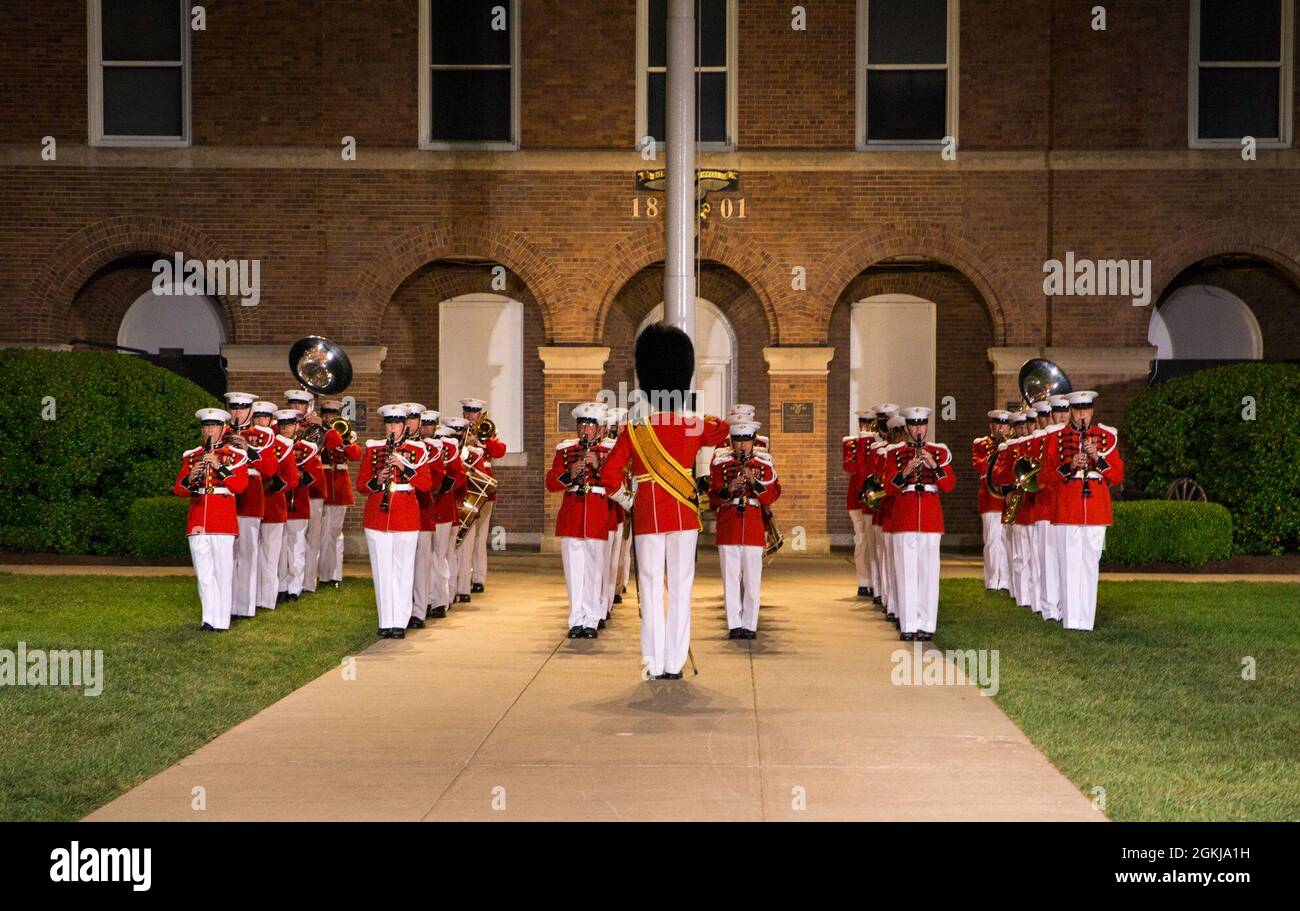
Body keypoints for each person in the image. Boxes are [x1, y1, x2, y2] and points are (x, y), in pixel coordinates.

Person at [598, 323, 730, 680]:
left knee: (652, 589)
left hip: (648, 515)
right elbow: (725, 428)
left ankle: (653, 662)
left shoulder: (634, 428)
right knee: (682, 589)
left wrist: (629, 501)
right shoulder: (694, 425)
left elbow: (608, 475)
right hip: (685, 515)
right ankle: (675, 663)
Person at [1039, 390, 1123, 631]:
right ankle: (1072, 620)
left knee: (1090, 563)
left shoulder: (1106, 437)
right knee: (1069, 564)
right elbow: (1045, 477)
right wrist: (1069, 466)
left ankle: (1086, 620)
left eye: (1086, 410)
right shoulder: (1056, 438)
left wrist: (1097, 457)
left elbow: (1117, 475)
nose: (1082, 415)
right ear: (1071, 412)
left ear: (1092, 411)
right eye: (1077, 410)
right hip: (1067, 509)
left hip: (1096, 509)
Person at [357, 405, 435, 639]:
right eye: (389, 423)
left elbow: (425, 484)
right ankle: (386, 620)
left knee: (403, 570)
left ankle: (400, 621)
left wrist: (405, 467)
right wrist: (376, 479)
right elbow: (361, 484)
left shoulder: (417, 450)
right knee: (382, 570)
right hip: (377, 515)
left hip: (406, 512)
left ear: (404, 426)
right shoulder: (373, 449)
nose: (392, 428)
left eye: (397, 423)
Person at [173, 408, 250, 632]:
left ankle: (222, 619)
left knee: (223, 573)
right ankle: (208, 618)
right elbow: (178, 490)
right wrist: (190, 477)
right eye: (206, 426)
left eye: (213, 426)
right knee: (204, 574)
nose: (209, 430)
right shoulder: (191, 456)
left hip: (222, 520)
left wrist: (220, 467)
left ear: (223, 428)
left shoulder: (235, 455)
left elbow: (240, 486)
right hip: (198, 519)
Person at [881, 406, 955, 641]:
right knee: (906, 572)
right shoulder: (894, 454)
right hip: (904, 515)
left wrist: (934, 465)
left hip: (931, 516)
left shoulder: (939, 452)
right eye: (914, 425)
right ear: (907, 428)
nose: (919, 430)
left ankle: (927, 624)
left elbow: (949, 485)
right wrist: (905, 472)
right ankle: (908, 624)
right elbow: (888, 488)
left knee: (929, 573)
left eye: (922, 425)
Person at [546, 402, 612, 639]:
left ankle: (592, 620)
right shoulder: (565, 450)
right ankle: (576, 618)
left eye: (590, 425)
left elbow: (617, 483)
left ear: (600, 428)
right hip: (573, 512)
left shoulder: (609, 451)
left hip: (597, 514)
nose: (585, 429)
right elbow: (551, 482)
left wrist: (599, 466)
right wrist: (570, 473)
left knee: (595, 571)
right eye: (581, 424)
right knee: (574, 571)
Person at [709, 421, 780, 639]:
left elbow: (773, 494)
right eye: (738, 440)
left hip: (752, 524)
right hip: (729, 524)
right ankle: (734, 624)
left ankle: (750, 624)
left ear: (753, 440)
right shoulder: (720, 463)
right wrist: (728, 490)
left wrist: (754, 481)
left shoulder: (764, 463)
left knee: (752, 580)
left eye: (746, 440)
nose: (742, 446)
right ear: (731, 441)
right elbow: (712, 499)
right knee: (730, 579)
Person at [223, 393, 277, 620]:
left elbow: (270, 469)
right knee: (227, 555)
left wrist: (249, 449)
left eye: (242, 409)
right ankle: (227, 604)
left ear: (251, 411)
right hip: (226, 497)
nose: (237, 413)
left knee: (247, 552)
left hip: (250, 495)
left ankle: (245, 607)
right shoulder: (221, 432)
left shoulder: (262, 435)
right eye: (234, 408)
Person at [461, 397, 505, 594]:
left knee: (480, 535)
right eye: (467, 412)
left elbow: (500, 451)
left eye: (474, 413)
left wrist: (482, 441)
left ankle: (478, 577)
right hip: (466, 487)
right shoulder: (458, 432)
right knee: (465, 534)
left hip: (484, 489)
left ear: (481, 415)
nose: (470, 416)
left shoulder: (488, 431)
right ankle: (464, 577)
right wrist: (463, 442)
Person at [257, 403, 298, 612]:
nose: (260, 422)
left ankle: (268, 598)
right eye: (257, 417)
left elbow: (292, 479)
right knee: (253, 556)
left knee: (271, 557)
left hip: (273, 505)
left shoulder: (281, 446)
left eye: (264, 418)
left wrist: (272, 485)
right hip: (251, 506)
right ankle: (254, 598)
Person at [285, 389, 327, 594]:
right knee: (292, 540)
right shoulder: (282, 427)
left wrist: (323, 426)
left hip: (313, 488)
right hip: (291, 489)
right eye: (292, 404)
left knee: (312, 538)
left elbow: (327, 447)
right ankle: (291, 582)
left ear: (307, 406)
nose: (295, 408)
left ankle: (309, 581)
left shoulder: (315, 427)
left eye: (300, 404)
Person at [277, 409, 321, 603]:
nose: (286, 429)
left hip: (298, 502)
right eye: (282, 425)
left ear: (296, 426)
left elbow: (316, 477)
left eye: (289, 425)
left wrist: (299, 475)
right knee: (279, 549)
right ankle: (281, 586)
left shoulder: (306, 448)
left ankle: (295, 587)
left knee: (297, 548)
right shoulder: (273, 445)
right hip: (278, 503)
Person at [318, 399, 362, 589]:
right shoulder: (318, 432)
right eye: (326, 414)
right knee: (320, 532)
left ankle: (334, 574)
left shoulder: (347, 433)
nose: (329, 418)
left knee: (335, 532)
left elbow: (355, 454)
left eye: (332, 415)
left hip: (340, 485)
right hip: (323, 482)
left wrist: (336, 434)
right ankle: (322, 572)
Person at [410, 410, 447, 628]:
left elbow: (435, 481)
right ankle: (404, 608)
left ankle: (419, 609)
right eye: (413, 420)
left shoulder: (432, 449)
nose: (419, 426)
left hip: (422, 510)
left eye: (418, 420)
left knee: (423, 562)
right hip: (399, 511)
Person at [430, 422, 467, 618]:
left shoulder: (448, 449)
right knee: (426, 557)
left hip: (443, 508)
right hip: (426, 510)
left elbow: (459, 478)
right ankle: (429, 597)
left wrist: (440, 487)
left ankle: (442, 599)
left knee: (441, 555)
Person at [972, 410, 1011, 593]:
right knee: (992, 541)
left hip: (1007, 499)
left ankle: (1005, 581)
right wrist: (997, 452)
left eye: (1004, 424)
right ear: (991, 426)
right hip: (990, 499)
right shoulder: (981, 444)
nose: (1001, 427)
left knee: (1007, 541)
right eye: (998, 424)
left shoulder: (1012, 444)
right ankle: (992, 581)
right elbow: (980, 466)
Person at [844, 409, 876, 598]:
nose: (865, 427)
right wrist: (864, 441)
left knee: (874, 541)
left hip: (874, 497)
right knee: (861, 540)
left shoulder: (879, 444)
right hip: (856, 498)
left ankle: (876, 581)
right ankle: (863, 581)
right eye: (863, 423)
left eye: (869, 423)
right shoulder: (852, 444)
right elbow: (853, 467)